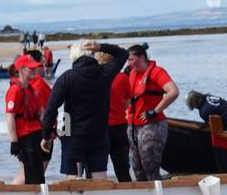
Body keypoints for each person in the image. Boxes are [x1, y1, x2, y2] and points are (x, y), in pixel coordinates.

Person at [39, 40, 126, 179]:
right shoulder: (105, 73)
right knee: (99, 178)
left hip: (72, 135)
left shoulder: (67, 77)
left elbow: (51, 109)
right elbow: (123, 54)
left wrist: (46, 136)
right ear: (92, 54)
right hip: (99, 134)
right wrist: (100, 47)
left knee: (73, 178)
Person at [124, 44, 177, 181]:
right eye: (127, 60)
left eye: (131, 59)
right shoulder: (131, 73)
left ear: (142, 57)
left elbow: (173, 92)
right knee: (136, 168)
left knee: (150, 167)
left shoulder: (156, 72)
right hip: (133, 126)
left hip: (152, 125)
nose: (129, 63)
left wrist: (155, 111)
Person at [6, 54, 46, 184]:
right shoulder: (15, 90)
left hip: (36, 135)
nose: (34, 70)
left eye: (35, 67)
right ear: (21, 70)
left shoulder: (30, 89)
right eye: (30, 68)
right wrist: (14, 142)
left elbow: (40, 113)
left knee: (38, 174)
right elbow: (10, 116)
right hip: (25, 136)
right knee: (33, 175)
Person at [105, 53, 131, 181]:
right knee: (122, 168)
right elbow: (127, 102)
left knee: (97, 168)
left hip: (100, 127)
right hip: (119, 126)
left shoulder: (95, 78)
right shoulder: (122, 77)